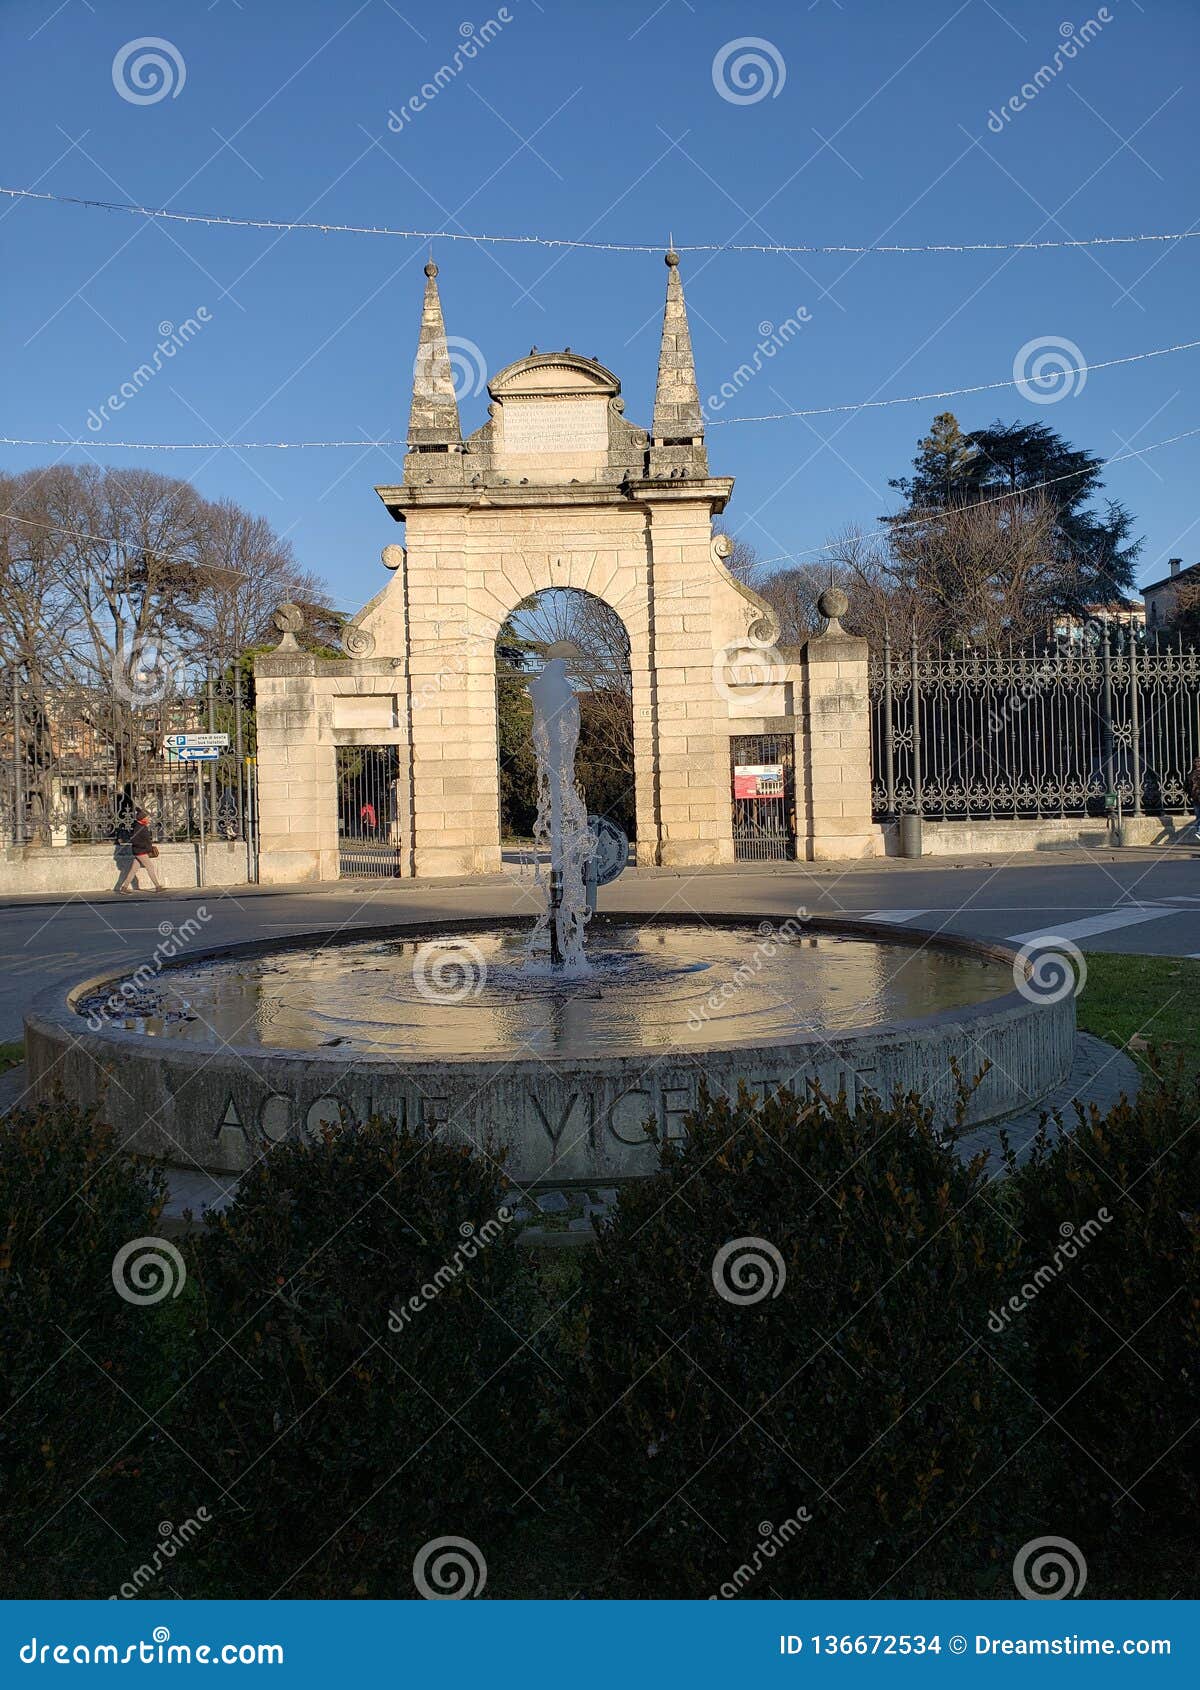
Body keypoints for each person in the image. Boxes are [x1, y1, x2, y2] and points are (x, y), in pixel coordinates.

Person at [119, 808, 166, 894]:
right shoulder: (139, 827)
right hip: (141, 851)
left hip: (140, 851)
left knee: (133, 870)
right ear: (142, 818)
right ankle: (157, 887)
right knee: (150, 867)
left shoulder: (141, 826)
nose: (148, 819)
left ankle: (124, 888)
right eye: (147, 817)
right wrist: (146, 847)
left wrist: (148, 846)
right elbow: (134, 841)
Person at [1188, 758, 1200, 837]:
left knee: (1198, 815)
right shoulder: (1191, 774)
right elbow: (1187, 786)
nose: (1197, 763)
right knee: (1198, 815)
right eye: (1196, 762)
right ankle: (1199, 831)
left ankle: (1198, 830)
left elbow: (1187, 786)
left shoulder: (1191, 774)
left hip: (1195, 797)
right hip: (1196, 797)